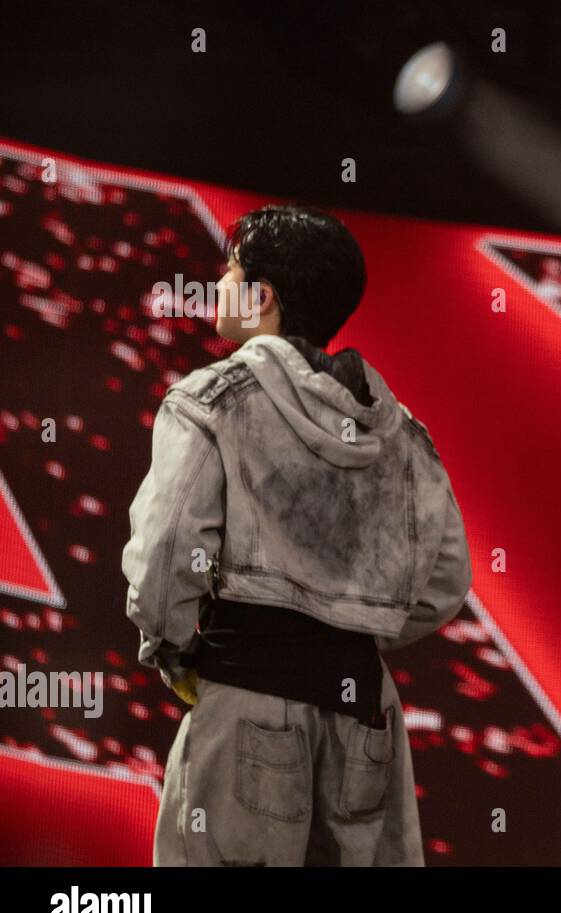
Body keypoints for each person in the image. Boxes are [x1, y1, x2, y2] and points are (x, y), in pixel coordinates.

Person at [121, 204, 471, 865]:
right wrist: (347, 620)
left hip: (245, 698)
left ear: (262, 296)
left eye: (229, 268)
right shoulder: (401, 434)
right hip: (364, 717)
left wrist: (175, 652)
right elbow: (446, 583)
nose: (217, 281)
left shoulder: (210, 401)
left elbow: (168, 552)